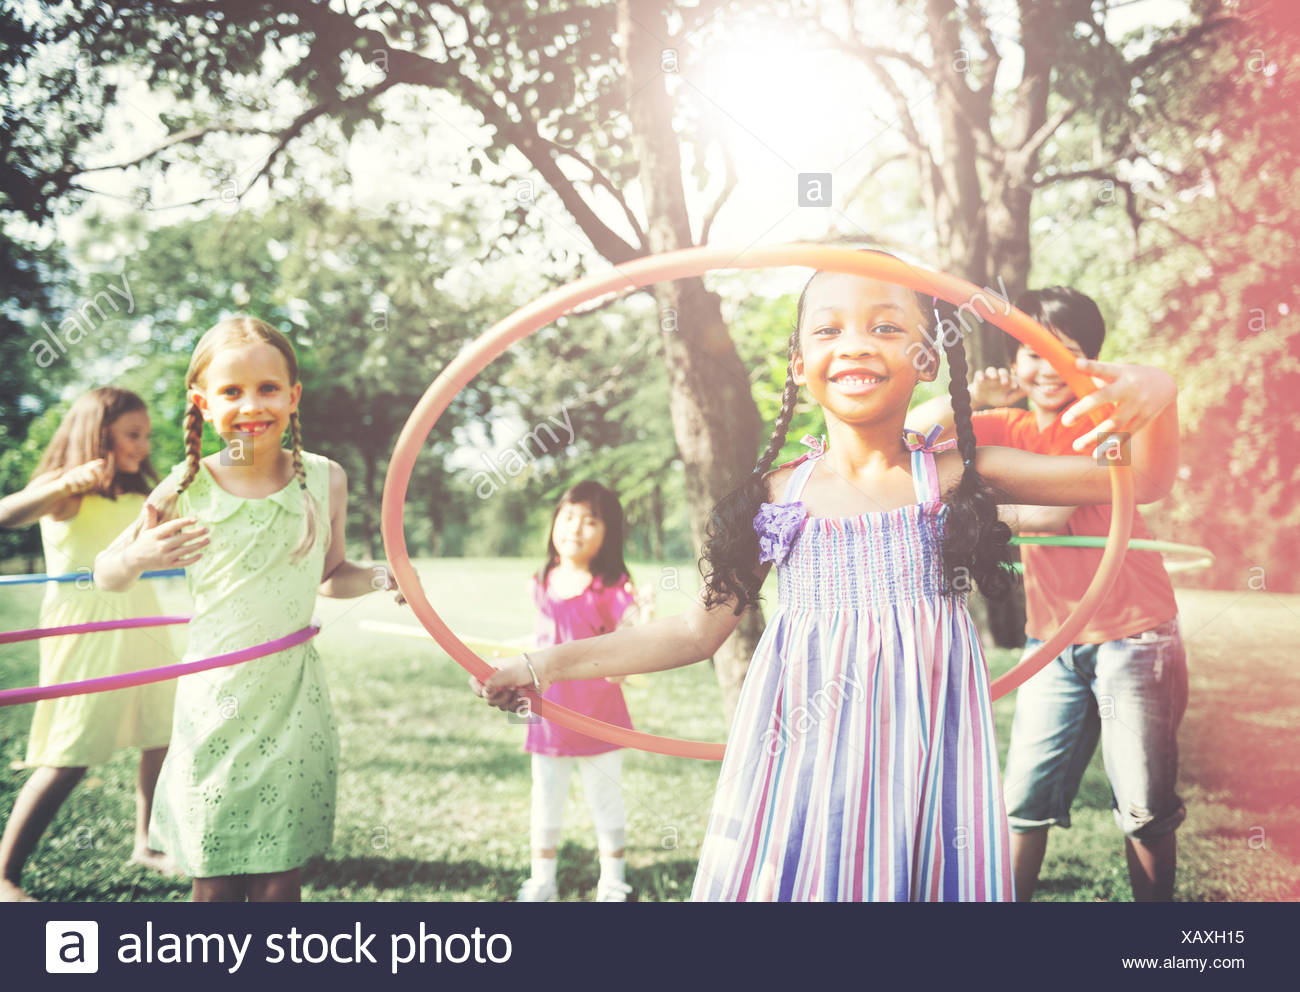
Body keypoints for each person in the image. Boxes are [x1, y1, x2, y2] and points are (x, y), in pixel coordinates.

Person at [475, 258, 1180, 901]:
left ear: (926, 358)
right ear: (798, 361)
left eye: (884, 326)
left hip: (923, 766)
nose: (856, 344)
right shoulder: (774, 499)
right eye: (829, 329)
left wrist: (1159, 388)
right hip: (804, 772)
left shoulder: (965, 475)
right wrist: (544, 664)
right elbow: (694, 632)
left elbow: (1137, 479)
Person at [94, 316, 401, 902]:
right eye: (231, 391)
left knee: (280, 876)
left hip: (292, 700)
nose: (251, 405)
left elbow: (331, 576)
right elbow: (106, 575)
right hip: (214, 701)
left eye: (267, 388)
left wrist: (386, 576)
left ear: (293, 396)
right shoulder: (186, 486)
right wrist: (137, 555)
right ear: (203, 403)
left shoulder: (324, 478)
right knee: (214, 877)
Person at [907, 286, 1187, 901]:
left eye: (1066, 351)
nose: (1045, 366)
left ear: (1092, 362)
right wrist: (970, 396)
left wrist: (984, 507)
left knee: (1142, 805)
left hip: (1135, 635)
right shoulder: (1002, 425)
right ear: (1015, 359)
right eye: (1033, 351)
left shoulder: (1103, 424)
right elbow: (909, 437)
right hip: (1053, 640)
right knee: (1022, 802)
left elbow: (1049, 517)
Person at [0, 387, 178, 901]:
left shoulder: (136, 496)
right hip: (85, 632)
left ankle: (147, 842)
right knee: (70, 754)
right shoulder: (64, 492)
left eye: (144, 435)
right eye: (132, 435)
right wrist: (63, 481)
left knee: (159, 733)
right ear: (98, 434)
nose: (144, 445)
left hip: (143, 622)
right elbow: (7, 513)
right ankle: (6, 874)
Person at [516, 481, 648, 903]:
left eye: (591, 521)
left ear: (609, 534)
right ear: (555, 520)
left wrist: (637, 622)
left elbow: (626, 649)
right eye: (569, 516)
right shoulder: (542, 580)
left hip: (598, 716)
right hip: (547, 714)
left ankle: (612, 881)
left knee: (605, 799)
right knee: (545, 798)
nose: (576, 528)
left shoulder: (611, 588)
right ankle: (542, 880)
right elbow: (542, 637)